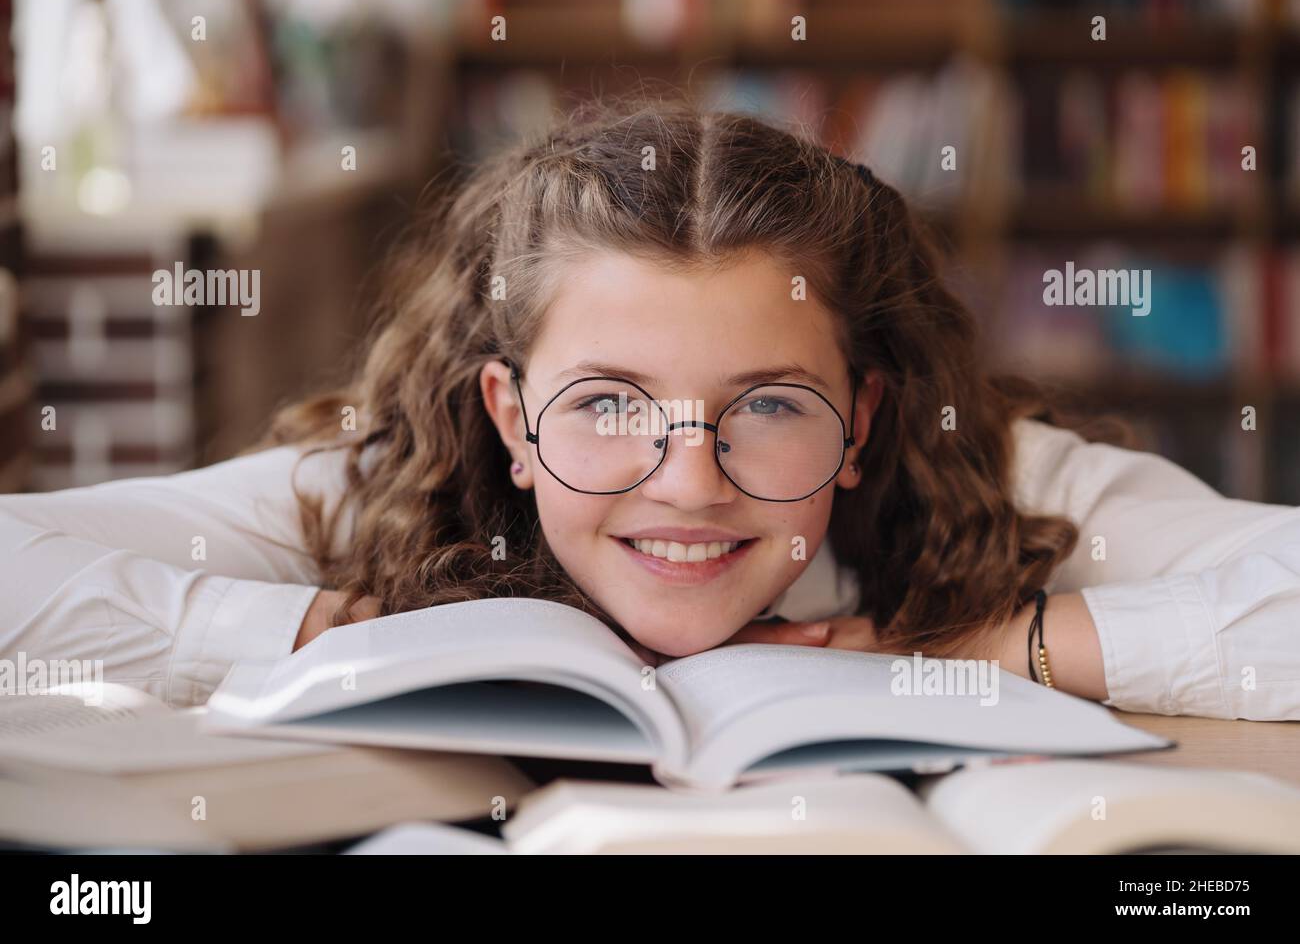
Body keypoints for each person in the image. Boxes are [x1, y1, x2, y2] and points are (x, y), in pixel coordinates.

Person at [3, 97, 1297, 721]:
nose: (688, 482)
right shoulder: (383, 488)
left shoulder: (1013, 484)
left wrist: (986, 653)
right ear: (508, 415)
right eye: (612, 403)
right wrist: (330, 631)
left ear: (863, 418)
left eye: (772, 406)